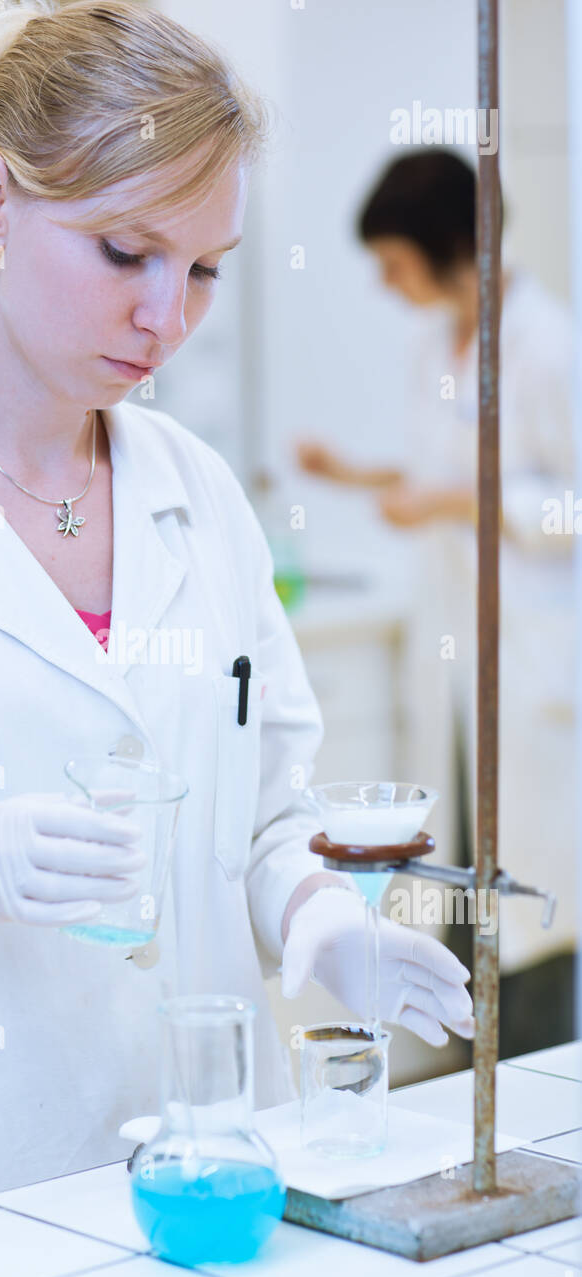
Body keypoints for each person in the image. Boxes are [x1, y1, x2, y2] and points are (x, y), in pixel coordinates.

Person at [0, 1, 474, 1277]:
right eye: (126, 252)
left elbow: (266, 814)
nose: (165, 316)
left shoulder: (197, 493)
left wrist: (314, 915)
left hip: (198, 1185)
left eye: (206, 267)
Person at [293, 149, 576, 1059]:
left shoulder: (547, 343)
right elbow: (443, 470)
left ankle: (534, 1078)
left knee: (532, 884)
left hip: (533, 652)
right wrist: (353, 473)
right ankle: (465, 1065)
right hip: (457, 648)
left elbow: (568, 503)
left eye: (393, 262)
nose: (386, 284)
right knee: (455, 856)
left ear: (448, 246)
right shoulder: (435, 346)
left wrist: (451, 502)